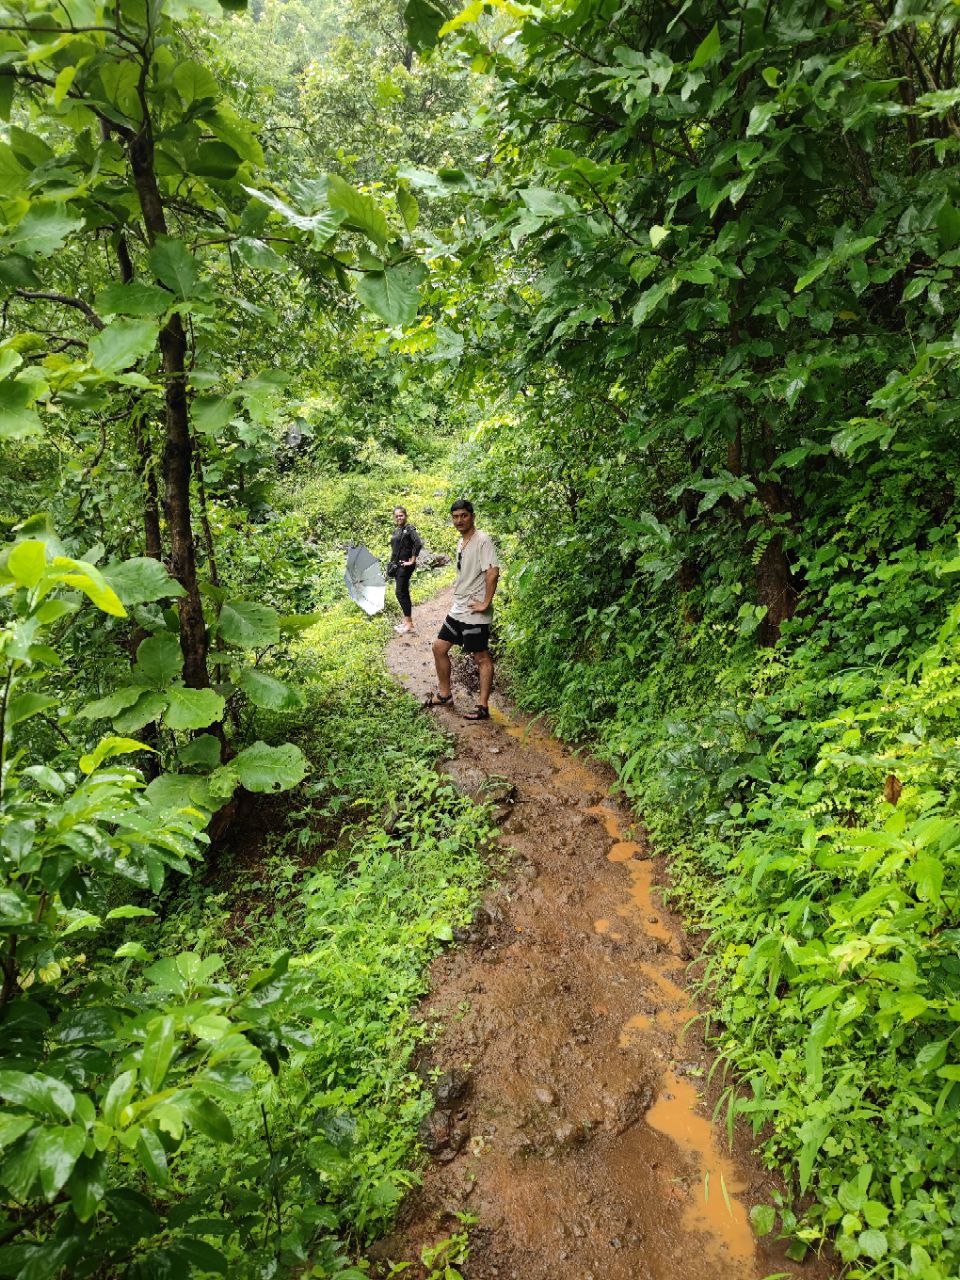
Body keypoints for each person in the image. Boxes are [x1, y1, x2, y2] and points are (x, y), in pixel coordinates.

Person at [426, 499, 500, 722]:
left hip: (474, 612)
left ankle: (483, 705)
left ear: (472, 516)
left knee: (481, 657)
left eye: (463, 516)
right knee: (439, 647)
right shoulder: (462, 542)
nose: (459, 520)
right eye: (455, 516)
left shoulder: (482, 541)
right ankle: (445, 694)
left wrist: (485, 603)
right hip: (459, 609)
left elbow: (493, 573)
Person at [389, 506, 422, 634]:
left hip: (405, 565)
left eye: (401, 515)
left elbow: (417, 543)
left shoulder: (409, 529)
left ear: (405, 516)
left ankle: (409, 623)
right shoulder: (398, 530)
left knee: (400, 592)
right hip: (397, 565)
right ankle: (407, 621)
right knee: (403, 592)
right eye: (396, 516)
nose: (399, 517)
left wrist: (412, 560)